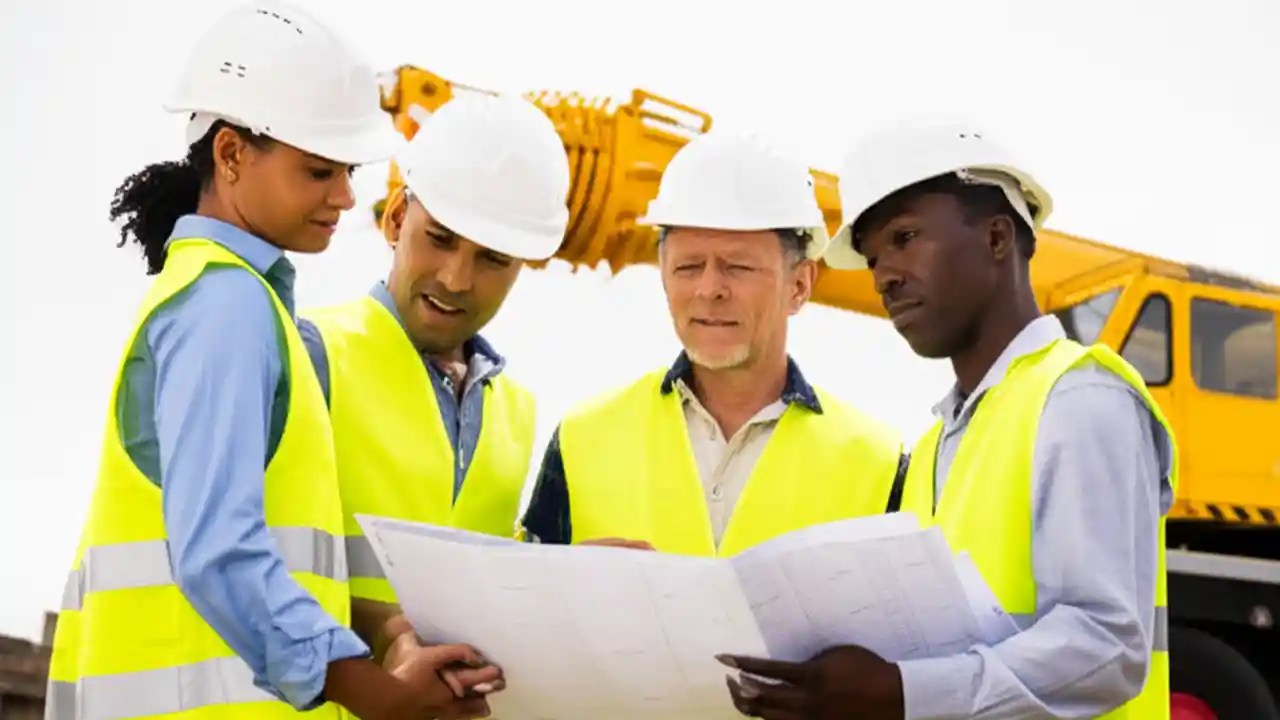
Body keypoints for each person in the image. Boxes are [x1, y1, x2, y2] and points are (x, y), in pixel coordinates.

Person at [44, 4, 500, 719]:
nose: (345, 197)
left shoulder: (221, 298)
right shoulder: (226, 307)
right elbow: (219, 551)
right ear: (229, 154)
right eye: (319, 170)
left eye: (347, 170)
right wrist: (377, 695)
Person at [719, 119, 1176, 719]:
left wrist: (901, 692)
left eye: (906, 237)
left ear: (996, 239)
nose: (883, 275)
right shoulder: (937, 442)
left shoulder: (1079, 398)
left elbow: (1107, 646)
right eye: (877, 257)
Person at [520, 130, 906, 556]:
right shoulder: (583, 437)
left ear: (799, 284)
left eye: (738, 267)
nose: (709, 290)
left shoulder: (878, 464)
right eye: (687, 267)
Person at [298, 92, 570, 660]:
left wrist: (573, 582)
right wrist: (388, 640)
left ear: (523, 267)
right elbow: (249, 566)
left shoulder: (512, 411)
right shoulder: (311, 352)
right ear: (397, 218)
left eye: (492, 259)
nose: (456, 278)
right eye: (440, 239)